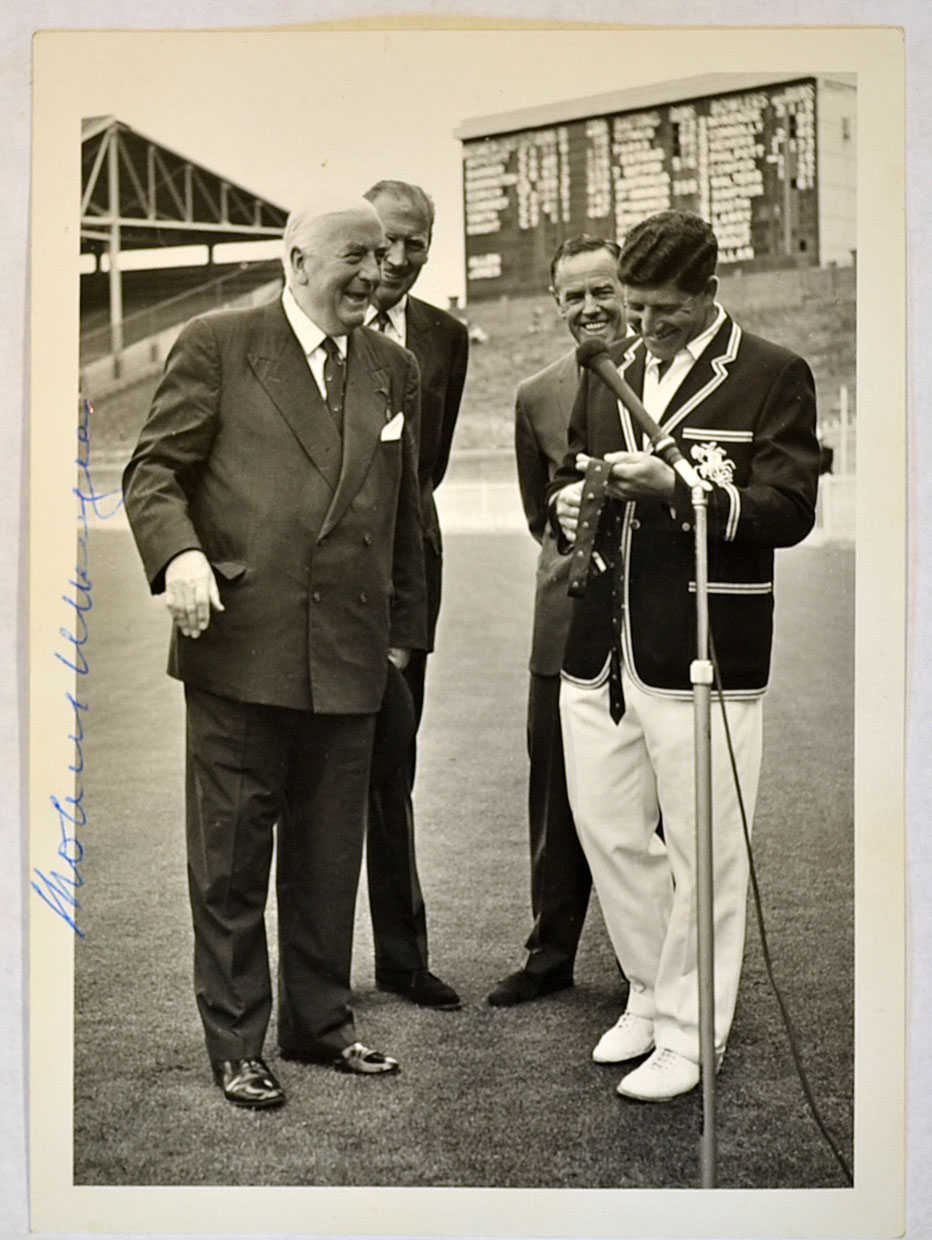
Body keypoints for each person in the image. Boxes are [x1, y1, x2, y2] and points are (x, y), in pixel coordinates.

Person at [122, 193, 427, 1109]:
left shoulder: (393, 366)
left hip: (353, 651)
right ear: (296, 260)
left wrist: (405, 640)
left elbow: (403, 514)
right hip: (240, 646)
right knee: (231, 862)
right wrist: (177, 554)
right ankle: (235, 1043)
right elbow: (153, 471)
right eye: (355, 258)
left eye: (383, 258)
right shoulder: (219, 342)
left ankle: (321, 1025)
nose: (375, 275)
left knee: (332, 856)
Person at [550, 210, 820, 1101]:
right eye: (637, 306)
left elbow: (789, 508)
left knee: (707, 849)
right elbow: (575, 467)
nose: (647, 325)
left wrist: (684, 489)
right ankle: (648, 990)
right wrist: (570, 502)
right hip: (599, 646)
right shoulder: (611, 366)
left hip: (706, 646)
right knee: (609, 830)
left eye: (666, 309)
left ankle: (693, 1029)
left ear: (708, 293)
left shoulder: (773, 374)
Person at [488, 236, 627, 1007]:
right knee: (555, 788)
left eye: (602, 290)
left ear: (628, 290)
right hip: (563, 619)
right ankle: (550, 955)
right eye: (573, 296)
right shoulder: (536, 393)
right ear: (555, 304)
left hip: (648, 619)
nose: (589, 308)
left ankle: (663, 964)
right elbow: (534, 505)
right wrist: (560, 504)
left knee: (657, 796)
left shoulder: (655, 382)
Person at [360, 179, 468, 1010]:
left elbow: (424, 471)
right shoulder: (315, 317)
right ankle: (315, 969)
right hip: (317, 585)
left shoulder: (444, 336)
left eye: (417, 242)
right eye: (386, 240)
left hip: (406, 578)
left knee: (393, 770)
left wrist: (406, 591)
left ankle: (403, 960)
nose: (400, 259)